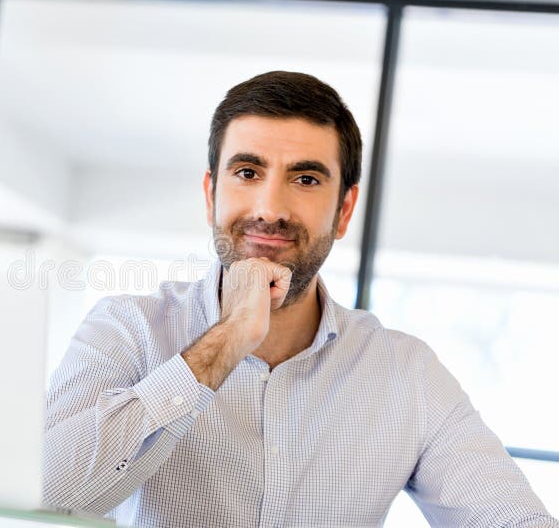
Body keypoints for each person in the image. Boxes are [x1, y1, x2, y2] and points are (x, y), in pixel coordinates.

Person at [42, 71, 557, 527]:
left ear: (344, 209)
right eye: (247, 172)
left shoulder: (407, 375)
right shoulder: (127, 329)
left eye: (306, 179)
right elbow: (48, 498)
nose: (271, 208)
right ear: (210, 194)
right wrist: (226, 342)